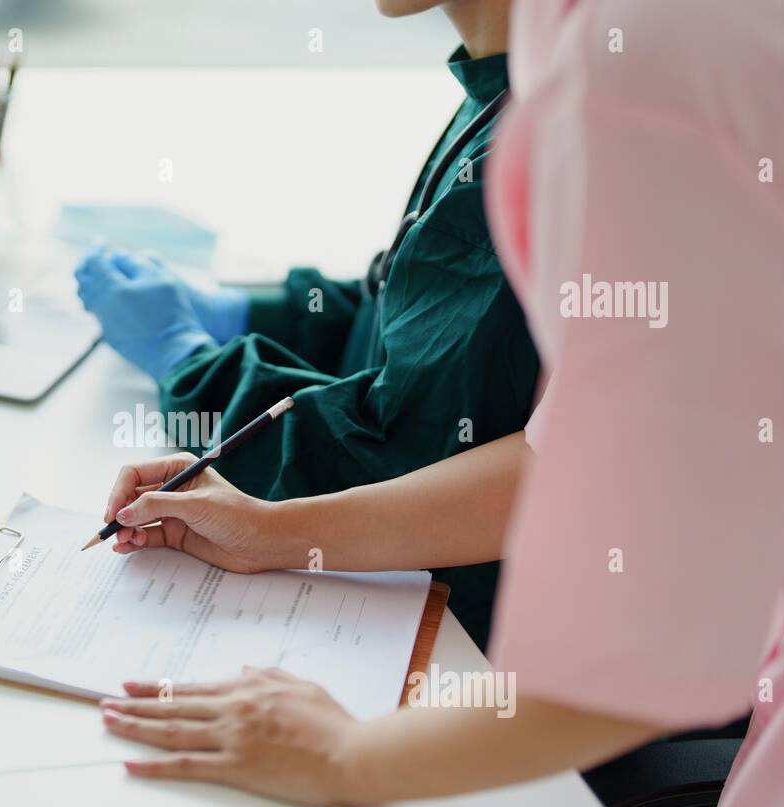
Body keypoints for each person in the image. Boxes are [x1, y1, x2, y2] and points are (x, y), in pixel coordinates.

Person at [93, 0, 784, 807]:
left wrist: (343, 755)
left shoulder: (637, 67)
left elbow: (660, 637)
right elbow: (568, 452)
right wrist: (277, 533)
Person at [75, 0, 538, 648]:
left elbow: (401, 461)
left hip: (479, 636)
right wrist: (252, 315)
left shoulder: (535, 139)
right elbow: (412, 306)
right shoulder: (500, 85)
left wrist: (191, 367)